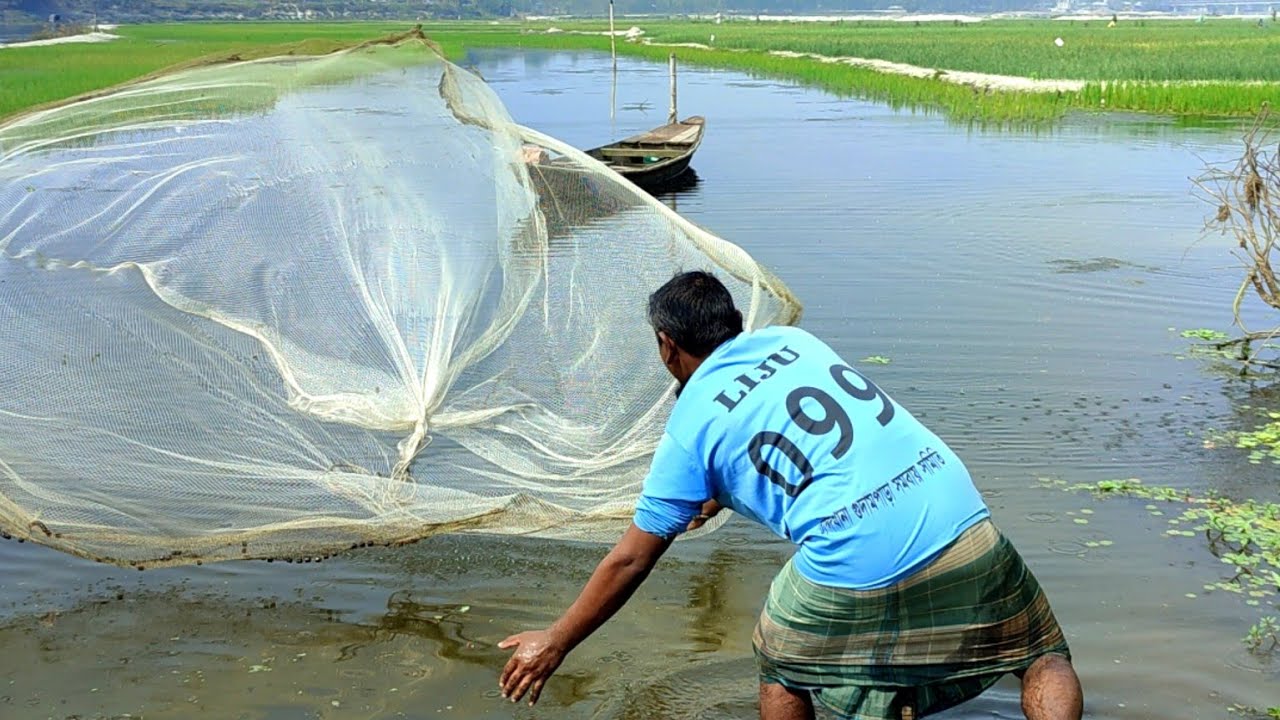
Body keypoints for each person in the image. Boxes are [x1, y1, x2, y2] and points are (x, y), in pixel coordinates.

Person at [498, 270, 1083, 720]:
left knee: (781, 662)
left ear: (665, 344)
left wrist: (556, 641)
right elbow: (804, 441)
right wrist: (721, 495)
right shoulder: (792, 343)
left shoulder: (689, 425)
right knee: (1039, 651)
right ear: (732, 322)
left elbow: (631, 558)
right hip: (957, 513)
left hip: (854, 552)